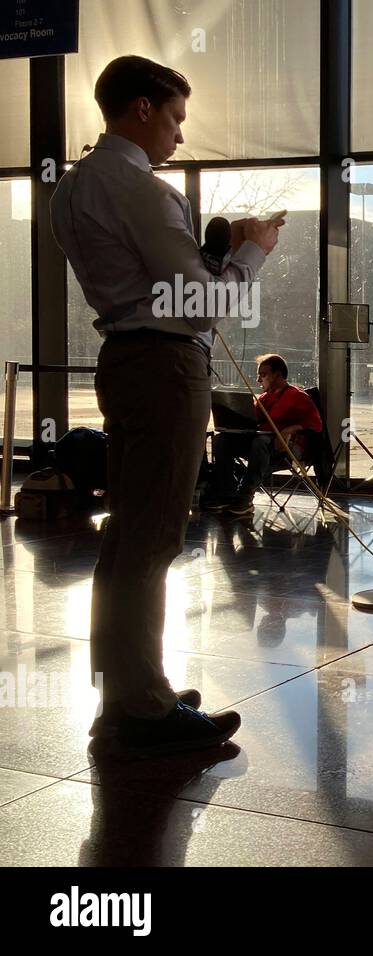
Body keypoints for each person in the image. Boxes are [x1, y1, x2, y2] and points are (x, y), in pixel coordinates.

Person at [50, 55, 283, 758]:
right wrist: (254, 253)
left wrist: (215, 250)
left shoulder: (73, 186)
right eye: (176, 117)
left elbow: (158, 282)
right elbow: (205, 306)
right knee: (151, 538)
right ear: (142, 109)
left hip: (124, 358)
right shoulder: (145, 193)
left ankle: (125, 691)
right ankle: (142, 709)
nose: (180, 135)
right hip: (164, 365)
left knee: (126, 535)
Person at [204, 353, 323, 516]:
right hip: (262, 442)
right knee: (222, 440)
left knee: (260, 442)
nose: (259, 380)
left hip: (288, 446)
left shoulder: (298, 396)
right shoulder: (263, 399)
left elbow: (316, 425)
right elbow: (252, 422)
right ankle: (226, 493)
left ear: (278, 375)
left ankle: (244, 497)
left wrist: (290, 429)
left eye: (263, 375)